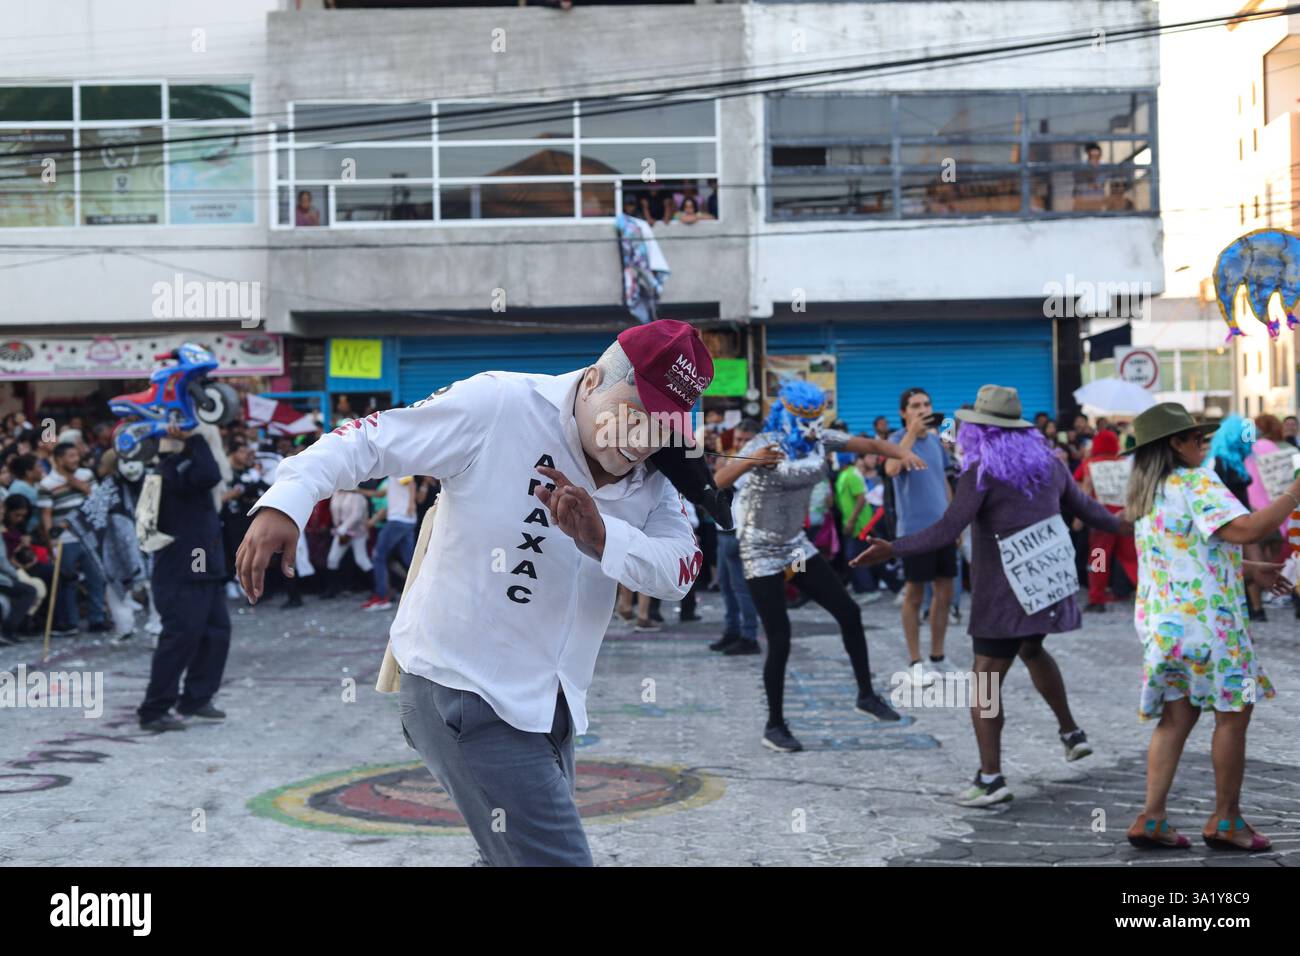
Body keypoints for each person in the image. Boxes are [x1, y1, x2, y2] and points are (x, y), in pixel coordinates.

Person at [237, 320, 709, 867]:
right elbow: (371, 438)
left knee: (506, 856)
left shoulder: (653, 479)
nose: (641, 437)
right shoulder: (501, 405)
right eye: (634, 413)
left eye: (662, 426)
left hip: (550, 702)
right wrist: (287, 499)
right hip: (463, 687)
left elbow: (680, 571)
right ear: (594, 379)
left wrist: (602, 537)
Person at [853, 385, 1122, 806]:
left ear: (981, 429)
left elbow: (947, 528)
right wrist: (1136, 525)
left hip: (1003, 596)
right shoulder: (1051, 465)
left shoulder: (980, 470)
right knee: (1033, 651)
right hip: (1044, 587)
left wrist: (894, 547)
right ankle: (1072, 732)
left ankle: (991, 778)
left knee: (984, 682)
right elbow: (1091, 512)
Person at [1122, 403, 1299, 852]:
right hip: (1213, 629)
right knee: (1234, 715)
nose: (1203, 444)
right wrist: (1294, 493)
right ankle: (1226, 819)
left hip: (1166, 628)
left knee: (1174, 718)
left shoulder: (1149, 492)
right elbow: (1249, 527)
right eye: (1196, 438)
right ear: (1174, 445)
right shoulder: (1196, 481)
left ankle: (1153, 816)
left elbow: (1187, 557)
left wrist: (1248, 569)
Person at [713, 380, 925, 753]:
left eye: (816, 418)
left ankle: (865, 696)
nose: (811, 425)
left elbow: (873, 446)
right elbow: (716, 481)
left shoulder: (818, 439)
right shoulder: (765, 443)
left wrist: (902, 452)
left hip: (795, 548)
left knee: (848, 611)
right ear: (788, 412)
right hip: (760, 549)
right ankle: (774, 725)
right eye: (804, 418)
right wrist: (754, 461)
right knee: (780, 638)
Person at [137, 424, 232, 732]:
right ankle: (154, 709)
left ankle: (196, 698)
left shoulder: (179, 468)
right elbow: (209, 474)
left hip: (202, 569)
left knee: (215, 633)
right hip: (183, 571)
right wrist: (194, 439)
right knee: (180, 639)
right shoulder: (170, 469)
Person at [887, 388, 956, 686]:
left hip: (943, 529)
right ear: (904, 412)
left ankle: (938, 657)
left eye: (926, 404)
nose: (922, 409)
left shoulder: (937, 444)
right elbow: (891, 469)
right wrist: (911, 435)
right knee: (914, 594)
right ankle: (915, 661)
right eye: (915, 405)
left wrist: (955, 520)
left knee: (945, 593)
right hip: (914, 532)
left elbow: (943, 480)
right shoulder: (894, 441)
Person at [37, 442, 107, 636]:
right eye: (70, 456)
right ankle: (71, 622)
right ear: (59, 459)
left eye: (76, 455)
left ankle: (97, 619)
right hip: (65, 539)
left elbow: (100, 503)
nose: (75, 459)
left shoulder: (86, 475)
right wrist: (51, 543)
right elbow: (46, 515)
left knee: (97, 578)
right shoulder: (47, 484)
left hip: (89, 536)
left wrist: (83, 488)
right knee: (68, 581)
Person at [710, 419, 761, 653]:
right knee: (726, 586)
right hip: (724, 530)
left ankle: (749, 636)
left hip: (743, 532)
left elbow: (724, 482)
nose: (740, 444)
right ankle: (732, 631)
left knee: (742, 588)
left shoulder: (758, 464)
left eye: (746, 440)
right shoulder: (734, 460)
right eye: (738, 439)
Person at [1074, 429, 1137, 611]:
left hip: (1101, 523)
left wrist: (1079, 518)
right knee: (1132, 559)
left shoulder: (1090, 464)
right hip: (1126, 521)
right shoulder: (1126, 464)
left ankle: (1097, 599)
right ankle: (1147, 593)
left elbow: (1084, 492)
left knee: (1098, 561)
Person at [361, 474, 418, 611]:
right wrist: (355, 491)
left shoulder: (398, 468)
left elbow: (411, 483)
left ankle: (381, 597)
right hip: (406, 520)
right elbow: (380, 494)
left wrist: (411, 504)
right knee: (410, 560)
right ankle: (423, 592)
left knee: (378, 556)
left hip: (398, 520)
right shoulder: (393, 474)